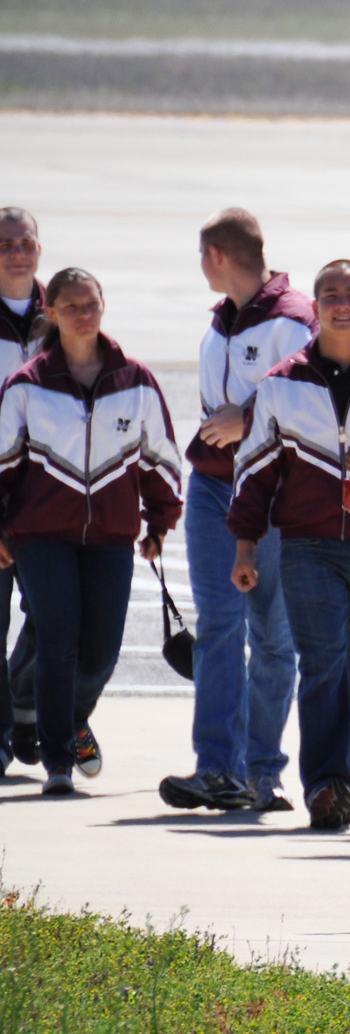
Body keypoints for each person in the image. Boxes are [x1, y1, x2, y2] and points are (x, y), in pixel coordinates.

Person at [0, 268, 182, 794]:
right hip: (41, 534)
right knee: (58, 639)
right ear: (52, 314)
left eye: (92, 304)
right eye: (73, 306)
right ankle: (57, 761)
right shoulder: (28, 384)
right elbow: (3, 462)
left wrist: (160, 520)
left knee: (101, 649)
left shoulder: (135, 379)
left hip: (110, 534)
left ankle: (73, 720)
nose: (85, 314)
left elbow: (159, 457)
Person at [162, 209, 313, 815]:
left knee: (272, 635)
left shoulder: (294, 318)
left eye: (202, 257)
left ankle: (262, 772)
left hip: (272, 495)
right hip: (211, 488)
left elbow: (312, 390)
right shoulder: (220, 323)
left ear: (217, 255)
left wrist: (247, 417)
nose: (201, 268)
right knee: (219, 626)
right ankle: (216, 768)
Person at [227, 260, 350, 831]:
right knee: (323, 664)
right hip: (307, 546)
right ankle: (325, 785)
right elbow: (255, 470)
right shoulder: (281, 383)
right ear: (314, 307)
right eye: (330, 295)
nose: (342, 303)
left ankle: (340, 776)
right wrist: (246, 545)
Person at [0, 207, 46, 774]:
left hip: (45, 493)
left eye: (25, 242)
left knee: (54, 616)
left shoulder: (59, 312)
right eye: (5, 243)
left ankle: (25, 708)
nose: (15, 252)